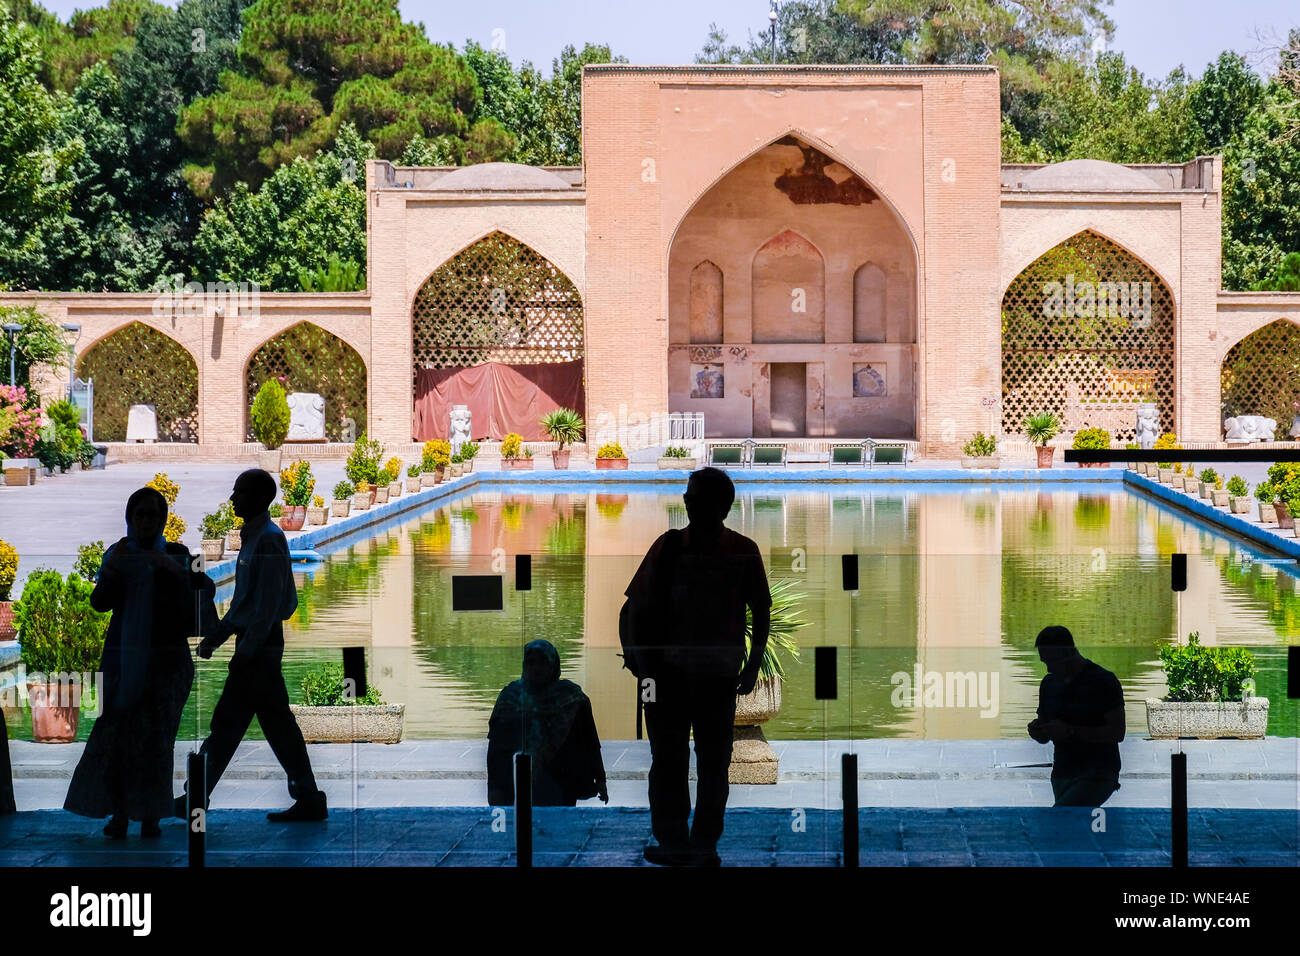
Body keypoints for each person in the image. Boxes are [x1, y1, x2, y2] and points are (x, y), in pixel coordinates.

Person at [623, 467, 771, 866]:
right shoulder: (681, 547)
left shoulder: (719, 549)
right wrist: (641, 662)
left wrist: (753, 664)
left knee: (703, 762)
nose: (686, 499)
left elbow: (761, 608)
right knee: (682, 760)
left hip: (703, 676)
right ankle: (684, 842)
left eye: (692, 494)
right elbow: (635, 606)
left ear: (716, 505)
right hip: (676, 675)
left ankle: (695, 842)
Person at [178, 469, 327, 822]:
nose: (233, 499)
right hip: (254, 645)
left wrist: (245, 652)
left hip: (260, 648)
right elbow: (245, 603)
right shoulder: (255, 537)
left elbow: (266, 607)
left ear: (259, 498)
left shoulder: (269, 540)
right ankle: (308, 796)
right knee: (274, 726)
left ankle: (194, 800)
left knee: (230, 725)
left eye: (240, 493)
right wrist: (217, 638)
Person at [64, 487, 213, 838]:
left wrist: (169, 568)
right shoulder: (117, 554)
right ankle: (118, 813)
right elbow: (99, 602)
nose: (146, 521)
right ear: (130, 518)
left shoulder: (181, 553)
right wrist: (114, 571)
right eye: (139, 515)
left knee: (157, 741)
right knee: (116, 739)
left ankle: (150, 816)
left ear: (163, 520)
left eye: (152, 515)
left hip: (167, 664)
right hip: (123, 662)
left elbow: (205, 585)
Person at [486, 640, 608, 807]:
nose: (536, 668)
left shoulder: (572, 698)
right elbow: (496, 750)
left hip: (562, 780)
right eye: (531, 662)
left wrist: (600, 778)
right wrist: (495, 789)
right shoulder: (510, 698)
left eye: (543, 661)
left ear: (553, 665)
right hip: (517, 781)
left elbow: (590, 742)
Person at [1028, 625, 1126, 807]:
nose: (1048, 668)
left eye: (1051, 661)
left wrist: (1070, 732)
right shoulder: (1049, 684)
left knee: (1061, 818)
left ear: (1067, 653)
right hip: (1062, 772)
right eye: (1045, 662)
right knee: (1071, 828)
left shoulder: (1103, 681)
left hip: (1098, 773)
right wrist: (1039, 731)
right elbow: (1047, 728)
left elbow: (1117, 732)